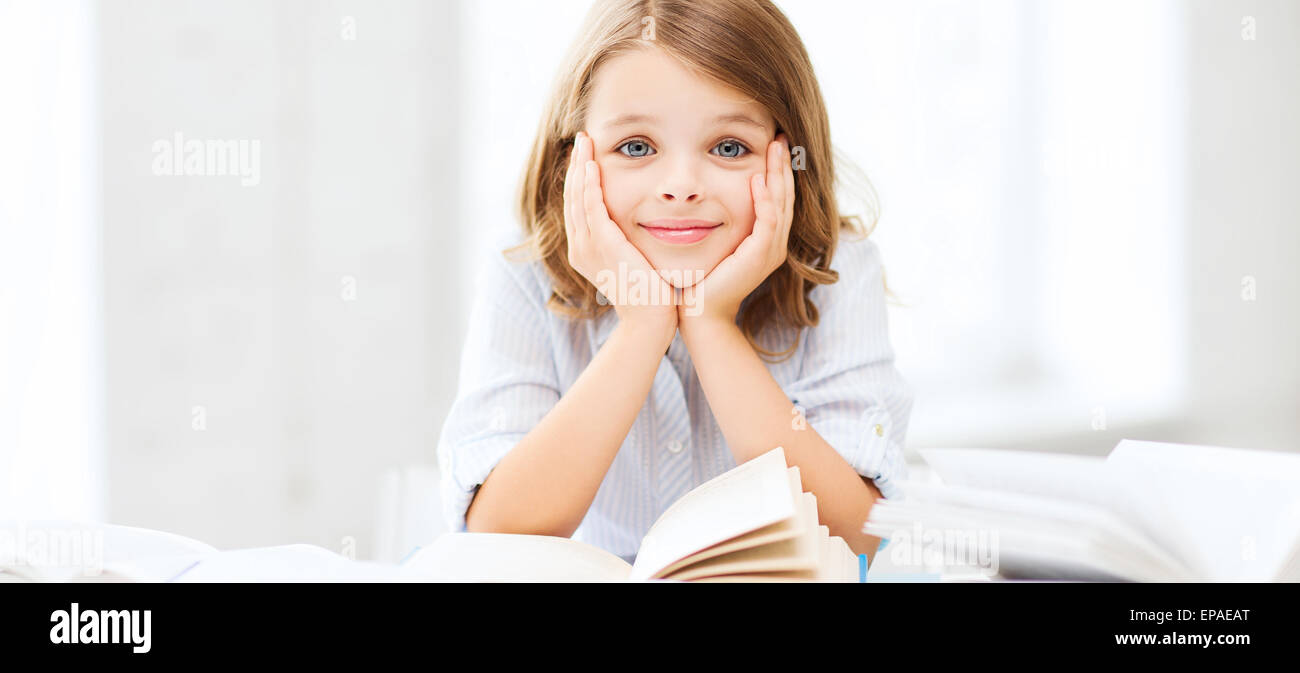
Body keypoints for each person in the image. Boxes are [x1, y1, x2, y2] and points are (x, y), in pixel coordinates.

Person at [437, 0, 913, 568]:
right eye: (636, 147)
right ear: (573, 163)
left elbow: (855, 535)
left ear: (788, 159)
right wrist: (643, 325)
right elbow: (496, 530)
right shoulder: (524, 272)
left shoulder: (838, 271)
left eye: (729, 147)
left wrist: (712, 325)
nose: (681, 185)